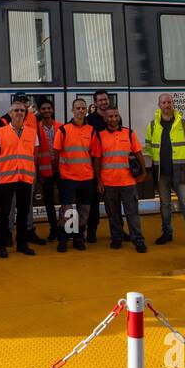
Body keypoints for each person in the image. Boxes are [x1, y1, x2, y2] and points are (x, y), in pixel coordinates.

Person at [144, 93, 185, 249]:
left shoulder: (183, 123)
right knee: (164, 205)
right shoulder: (153, 125)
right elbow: (148, 145)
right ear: (159, 105)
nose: (167, 105)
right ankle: (167, 233)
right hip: (162, 172)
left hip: (180, 170)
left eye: (169, 102)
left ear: (172, 104)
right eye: (163, 102)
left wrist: (182, 157)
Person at [95, 107, 147, 252]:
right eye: (110, 116)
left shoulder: (129, 133)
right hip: (109, 183)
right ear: (105, 119)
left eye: (116, 116)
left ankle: (138, 241)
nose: (113, 119)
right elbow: (97, 160)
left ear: (119, 117)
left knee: (133, 214)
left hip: (128, 182)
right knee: (114, 215)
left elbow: (138, 153)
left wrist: (143, 171)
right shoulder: (99, 136)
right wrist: (99, 180)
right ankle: (117, 239)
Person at [0, 98, 38, 258]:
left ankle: (22, 244)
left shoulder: (32, 133)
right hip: (7, 179)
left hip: (25, 178)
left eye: (22, 111)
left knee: (24, 212)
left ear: (26, 114)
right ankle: (2, 245)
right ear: (10, 113)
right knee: (4, 213)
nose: (19, 113)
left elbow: (34, 155)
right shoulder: (0, 132)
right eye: (16, 110)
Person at [54, 97, 98, 252]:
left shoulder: (91, 130)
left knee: (84, 210)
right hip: (68, 178)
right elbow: (56, 153)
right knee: (67, 210)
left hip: (86, 177)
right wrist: (58, 175)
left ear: (86, 111)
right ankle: (64, 239)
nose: (80, 111)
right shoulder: (64, 130)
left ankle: (79, 238)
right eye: (78, 108)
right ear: (72, 110)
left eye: (83, 108)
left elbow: (94, 154)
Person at [84, 90, 112, 243]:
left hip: (111, 165)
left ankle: (118, 230)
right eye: (100, 100)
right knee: (93, 202)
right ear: (95, 103)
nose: (103, 102)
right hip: (94, 165)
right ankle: (91, 232)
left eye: (105, 99)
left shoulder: (114, 118)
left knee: (113, 202)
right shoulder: (89, 120)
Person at [33, 98, 61, 245]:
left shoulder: (60, 127)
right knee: (49, 202)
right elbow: (35, 153)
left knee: (67, 201)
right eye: (43, 108)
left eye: (48, 108)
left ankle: (66, 229)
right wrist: (37, 173)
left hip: (62, 170)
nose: (46, 111)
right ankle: (54, 230)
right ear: (39, 111)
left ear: (52, 110)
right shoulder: (36, 128)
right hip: (45, 172)